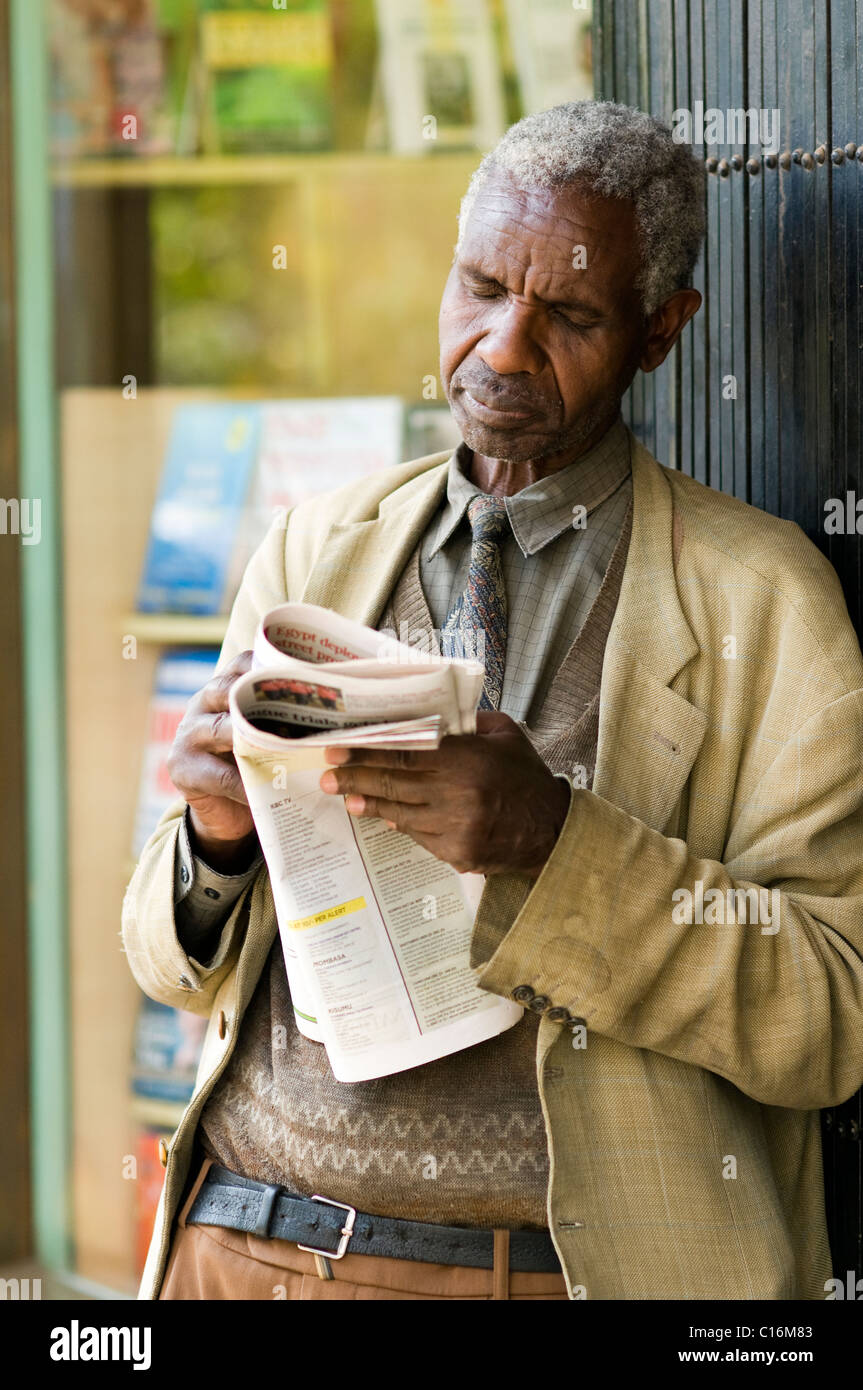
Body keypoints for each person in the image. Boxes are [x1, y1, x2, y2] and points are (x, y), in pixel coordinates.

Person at [123, 101, 863, 1301]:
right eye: (479, 288)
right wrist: (212, 841)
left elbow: (834, 1011)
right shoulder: (318, 544)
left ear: (659, 333)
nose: (503, 349)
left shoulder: (760, 597)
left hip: (531, 1277)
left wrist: (554, 847)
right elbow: (169, 963)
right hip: (240, 1250)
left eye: (568, 314)